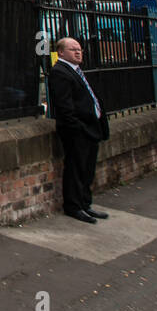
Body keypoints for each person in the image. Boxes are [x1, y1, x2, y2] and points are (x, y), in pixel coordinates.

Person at [48, 37, 110, 224]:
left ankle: (85, 203)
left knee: (87, 170)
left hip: (91, 128)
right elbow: (64, 107)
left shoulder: (76, 70)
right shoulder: (59, 72)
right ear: (61, 52)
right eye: (73, 49)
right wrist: (79, 128)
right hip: (78, 131)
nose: (78, 52)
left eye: (79, 49)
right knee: (76, 169)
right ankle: (73, 206)